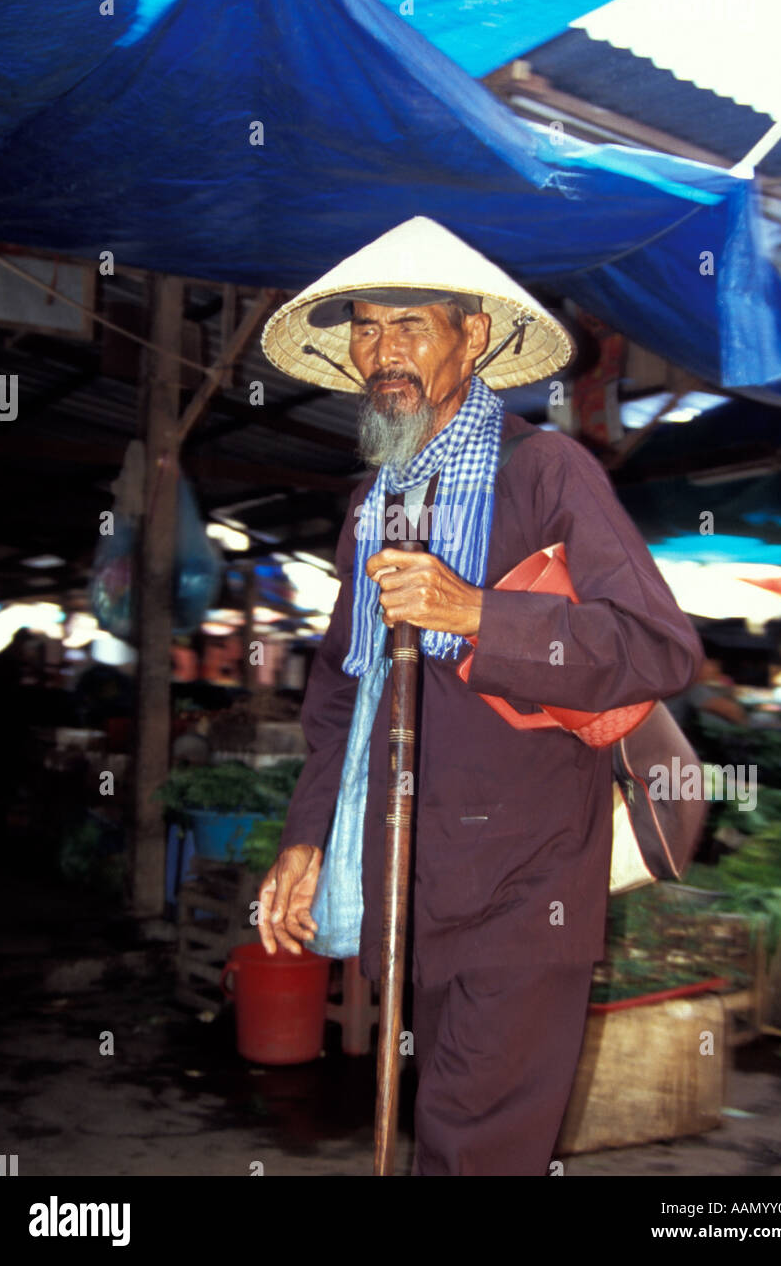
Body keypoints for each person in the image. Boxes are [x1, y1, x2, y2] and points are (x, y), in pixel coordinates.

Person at [255, 217, 703, 1176]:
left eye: (412, 325)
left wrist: (475, 613)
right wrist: (304, 838)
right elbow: (341, 690)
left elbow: (657, 649)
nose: (385, 351)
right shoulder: (371, 506)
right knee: (438, 1130)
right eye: (367, 330)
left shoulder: (544, 471)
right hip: (408, 877)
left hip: (524, 882)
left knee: (478, 1147)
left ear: (475, 338)